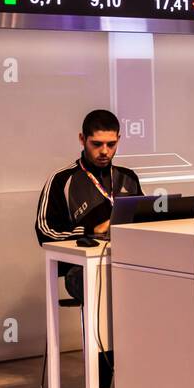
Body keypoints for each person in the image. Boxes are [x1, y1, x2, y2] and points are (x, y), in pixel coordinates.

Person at [35, 109, 143, 302]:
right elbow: (45, 232)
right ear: (82, 139)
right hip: (81, 266)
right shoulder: (62, 179)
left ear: (119, 139)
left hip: (127, 258)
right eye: (97, 144)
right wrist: (90, 230)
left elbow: (143, 220)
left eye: (111, 144)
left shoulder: (128, 177)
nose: (104, 151)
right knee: (109, 282)